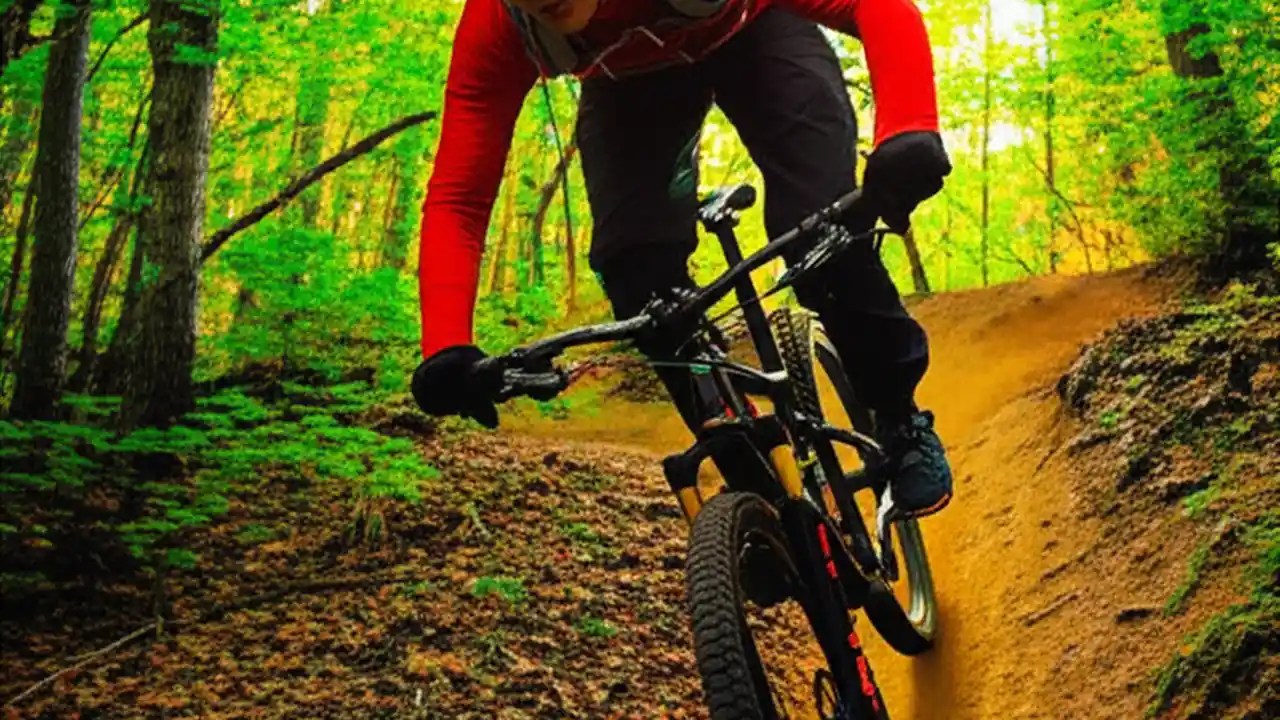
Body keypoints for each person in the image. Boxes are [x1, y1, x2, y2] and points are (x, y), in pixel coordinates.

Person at [411, 0, 953, 519]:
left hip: (757, 31)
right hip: (629, 86)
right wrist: (445, 346)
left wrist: (908, 130)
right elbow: (461, 197)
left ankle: (898, 416)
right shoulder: (498, 25)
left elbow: (876, 6)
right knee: (638, 278)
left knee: (819, 229)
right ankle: (757, 485)